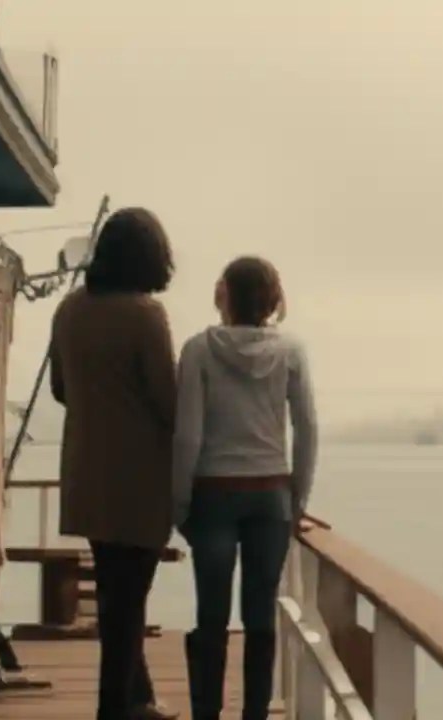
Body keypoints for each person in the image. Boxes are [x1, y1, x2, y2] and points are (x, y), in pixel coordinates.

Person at [172, 256, 319, 720]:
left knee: (211, 617)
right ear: (274, 299)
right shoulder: (291, 351)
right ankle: (254, 713)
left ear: (224, 294)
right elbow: (308, 427)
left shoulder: (198, 350)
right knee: (260, 616)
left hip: (213, 493)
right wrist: (299, 499)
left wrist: (179, 502)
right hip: (271, 493)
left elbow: (188, 435)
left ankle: (206, 714)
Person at [50, 207, 179, 720]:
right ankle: (113, 710)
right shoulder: (146, 315)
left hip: (86, 472)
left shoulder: (68, 309)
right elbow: (168, 403)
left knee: (115, 594)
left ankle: (138, 699)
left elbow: (61, 388)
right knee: (128, 598)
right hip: (139, 480)